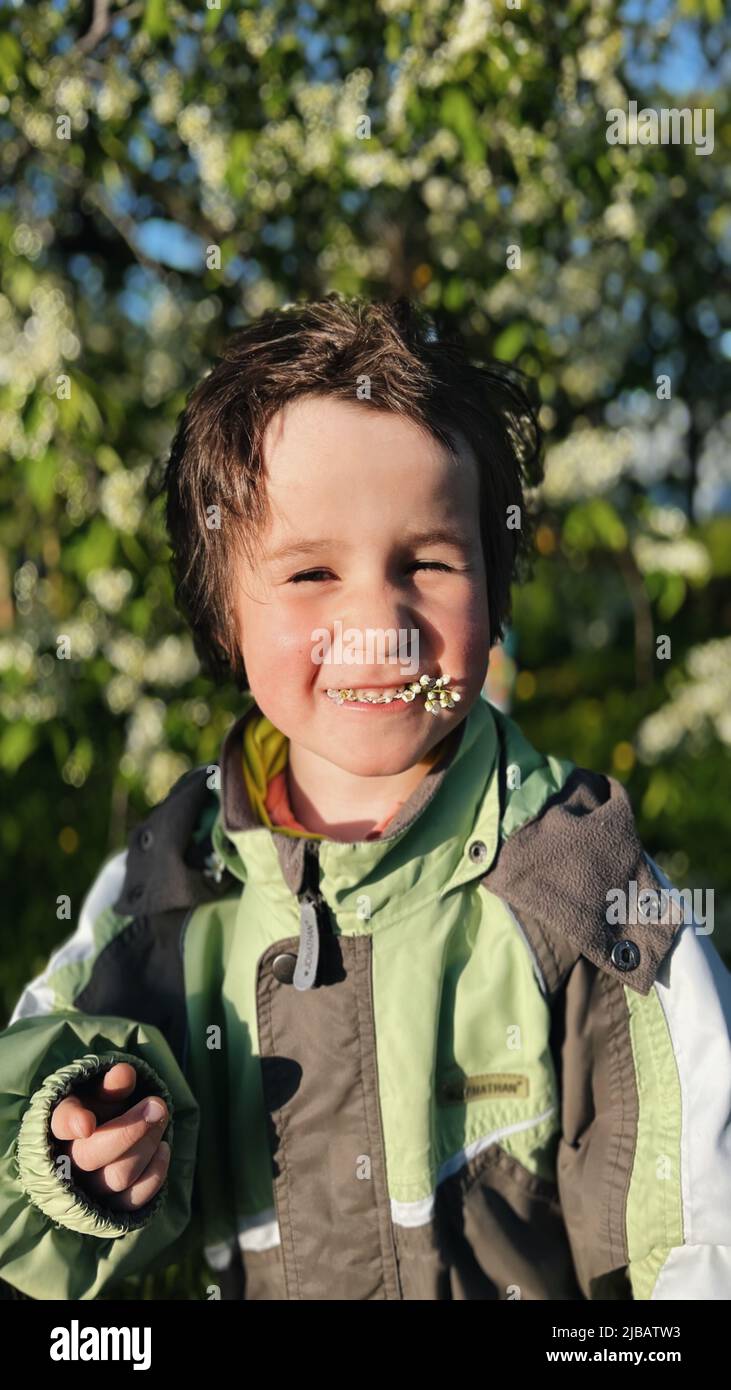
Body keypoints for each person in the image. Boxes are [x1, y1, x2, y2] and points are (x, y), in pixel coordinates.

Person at [1, 295, 729, 1301]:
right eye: (308, 572)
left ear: (493, 580)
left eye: (425, 562)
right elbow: (28, 1123)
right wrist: (76, 1153)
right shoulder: (168, 890)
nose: (376, 624)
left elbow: (696, 1219)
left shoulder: (585, 893)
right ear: (224, 617)